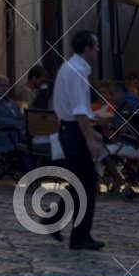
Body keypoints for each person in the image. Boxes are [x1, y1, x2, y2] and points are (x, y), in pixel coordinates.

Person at [52, 30, 105, 251]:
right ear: (87, 48)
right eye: (96, 46)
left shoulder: (72, 68)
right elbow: (79, 110)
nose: (98, 50)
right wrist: (90, 139)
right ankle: (80, 236)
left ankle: (53, 219)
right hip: (74, 132)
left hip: (70, 129)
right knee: (88, 183)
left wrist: (92, 132)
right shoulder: (77, 71)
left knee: (80, 182)